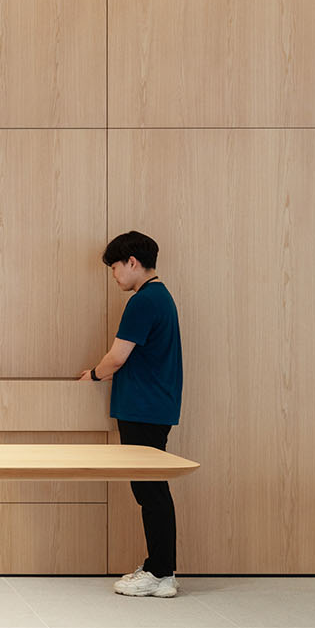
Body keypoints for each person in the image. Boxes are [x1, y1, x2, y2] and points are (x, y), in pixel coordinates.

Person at [78, 230, 184, 598]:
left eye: (115, 269)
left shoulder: (143, 302)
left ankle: (160, 572)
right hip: (153, 405)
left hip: (144, 408)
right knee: (151, 488)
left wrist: (92, 374)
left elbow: (116, 357)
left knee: (150, 489)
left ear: (133, 263)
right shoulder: (161, 297)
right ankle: (160, 568)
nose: (115, 277)